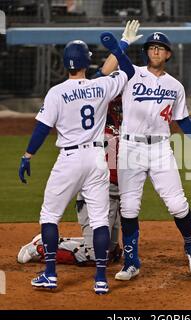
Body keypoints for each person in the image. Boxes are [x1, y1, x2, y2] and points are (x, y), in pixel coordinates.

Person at [18, 32, 135, 294]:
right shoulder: (102, 86)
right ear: (86, 63)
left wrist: (28, 156)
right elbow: (128, 71)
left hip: (69, 159)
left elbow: (40, 130)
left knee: (50, 215)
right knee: (99, 221)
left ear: (64, 64)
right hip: (96, 159)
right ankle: (101, 279)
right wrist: (119, 46)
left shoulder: (56, 92)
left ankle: (50, 274)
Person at [101, 25, 191, 281]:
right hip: (130, 147)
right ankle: (131, 261)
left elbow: (182, 118)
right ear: (146, 52)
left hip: (160, 147)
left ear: (168, 54)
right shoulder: (132, 73)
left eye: (160, 48)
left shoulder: (175, 86)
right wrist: (121, 43)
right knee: (128, 207)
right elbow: (106, 70)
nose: (155, 51)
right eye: (151, 47)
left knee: (177, 203)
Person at [17, 97, 123, 266]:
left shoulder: (123, 120)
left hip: (117, 192)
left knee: (111, 252)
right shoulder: (95, 119)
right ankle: (39, 249)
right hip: (97, 189)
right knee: (95, 256)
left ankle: (58, 241)